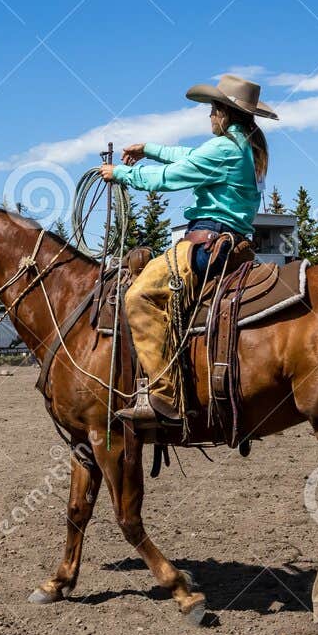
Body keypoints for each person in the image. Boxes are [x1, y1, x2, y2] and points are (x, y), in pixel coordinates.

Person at [100, 74, 275, 423]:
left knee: (138, 297)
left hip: (209, 240)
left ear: (225, 113)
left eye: (213, 109)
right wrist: (148, 149)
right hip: (233, 240)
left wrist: (119, 174)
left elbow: (169, 178)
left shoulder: (225, 148)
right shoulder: (242, 146)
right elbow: (189, 155)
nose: (209, 115)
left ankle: (164, 395)